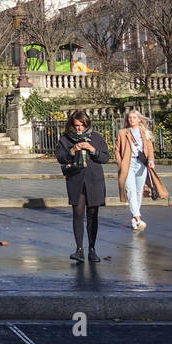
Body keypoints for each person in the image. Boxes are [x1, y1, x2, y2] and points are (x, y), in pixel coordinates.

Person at [56, 110, 110, 262]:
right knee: (78, 214)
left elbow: (105, 158)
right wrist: (72, 151)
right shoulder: (65, 139)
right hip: (76, 180)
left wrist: (92, 149)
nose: (79, 128)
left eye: (82, 125)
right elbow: (60, 158)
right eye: (76, 125)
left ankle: (92, 249)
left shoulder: (96, 137)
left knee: (93, 215)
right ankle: (79, 249)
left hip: (94, 180)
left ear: (87, 124)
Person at [115, 109, 159, 233]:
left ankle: (135, 217)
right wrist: (120, 163)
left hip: (142, 163)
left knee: (139, 191)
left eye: (134, 117)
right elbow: (117, 149)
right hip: (128, 163)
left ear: (139, 119)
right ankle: (138, 218)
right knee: (130, 190)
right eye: (129, 117)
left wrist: (151, 160)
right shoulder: (123, 132)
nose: (131, 119)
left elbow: (150, 149)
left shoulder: (145, 133)